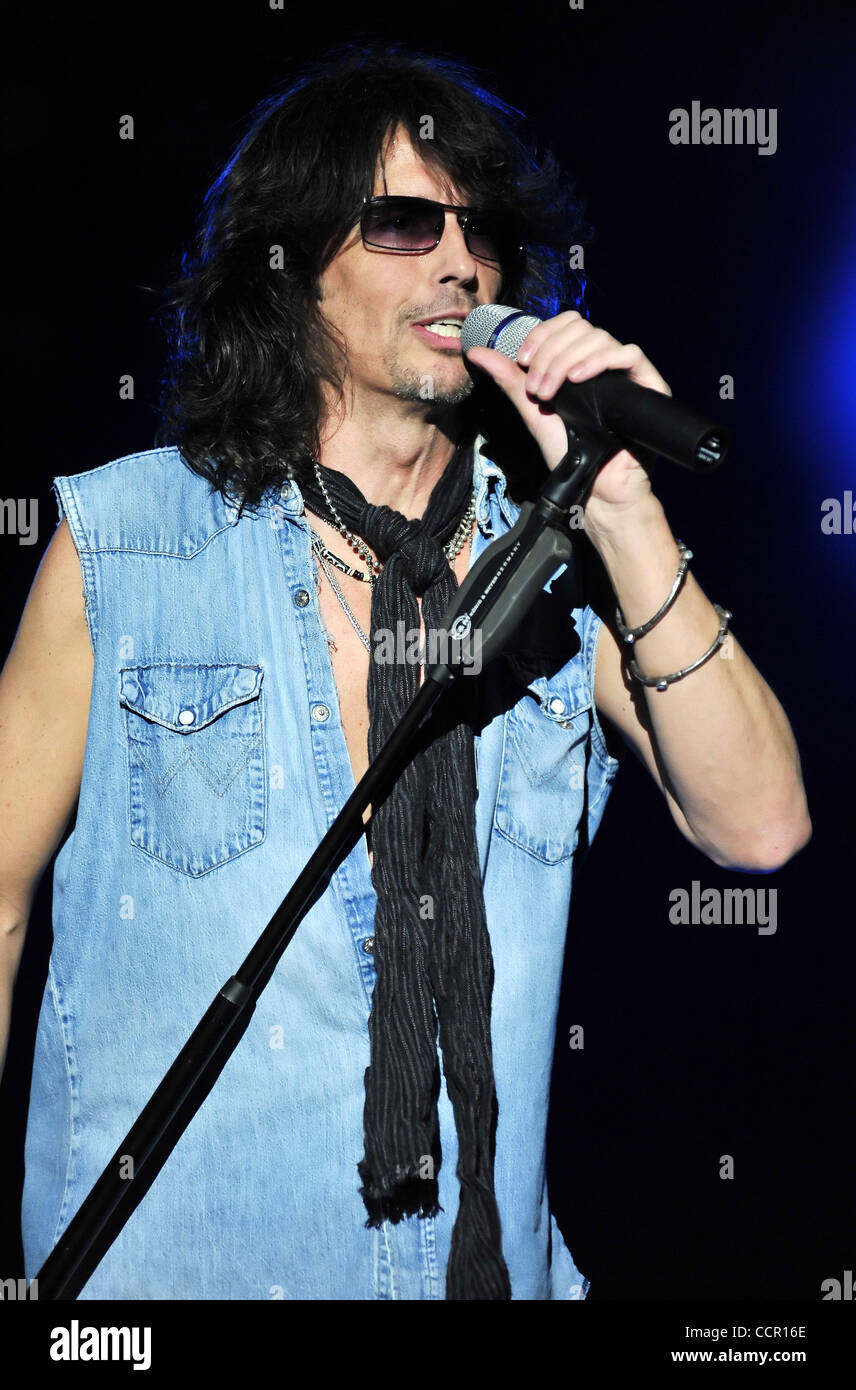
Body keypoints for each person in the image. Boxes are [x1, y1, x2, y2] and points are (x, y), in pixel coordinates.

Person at [0, 42, 811, 1301]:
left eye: (479, 228)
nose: (459, 260)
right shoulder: (128, 542)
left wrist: (626, 508)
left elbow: (760, 826)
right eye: (402, 221)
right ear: (289, 265)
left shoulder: (563, 562)